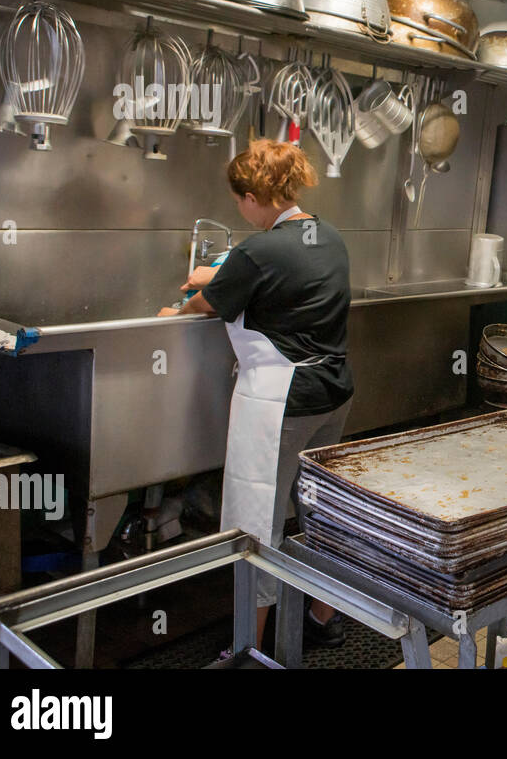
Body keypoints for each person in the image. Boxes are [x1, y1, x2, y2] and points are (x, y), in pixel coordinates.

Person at [180, 139, 354, 652]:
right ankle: (324, 617)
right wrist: (215, 275)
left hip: (283, 399)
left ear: (256, 195)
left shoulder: (257, 250)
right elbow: (267, 276)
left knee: (254, 518)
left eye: (240, 199)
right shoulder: (327, 235)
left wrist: (183, 303)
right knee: (320, 509)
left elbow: (205, 305)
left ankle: (247, 647)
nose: (239, 209)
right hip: (334, 393)